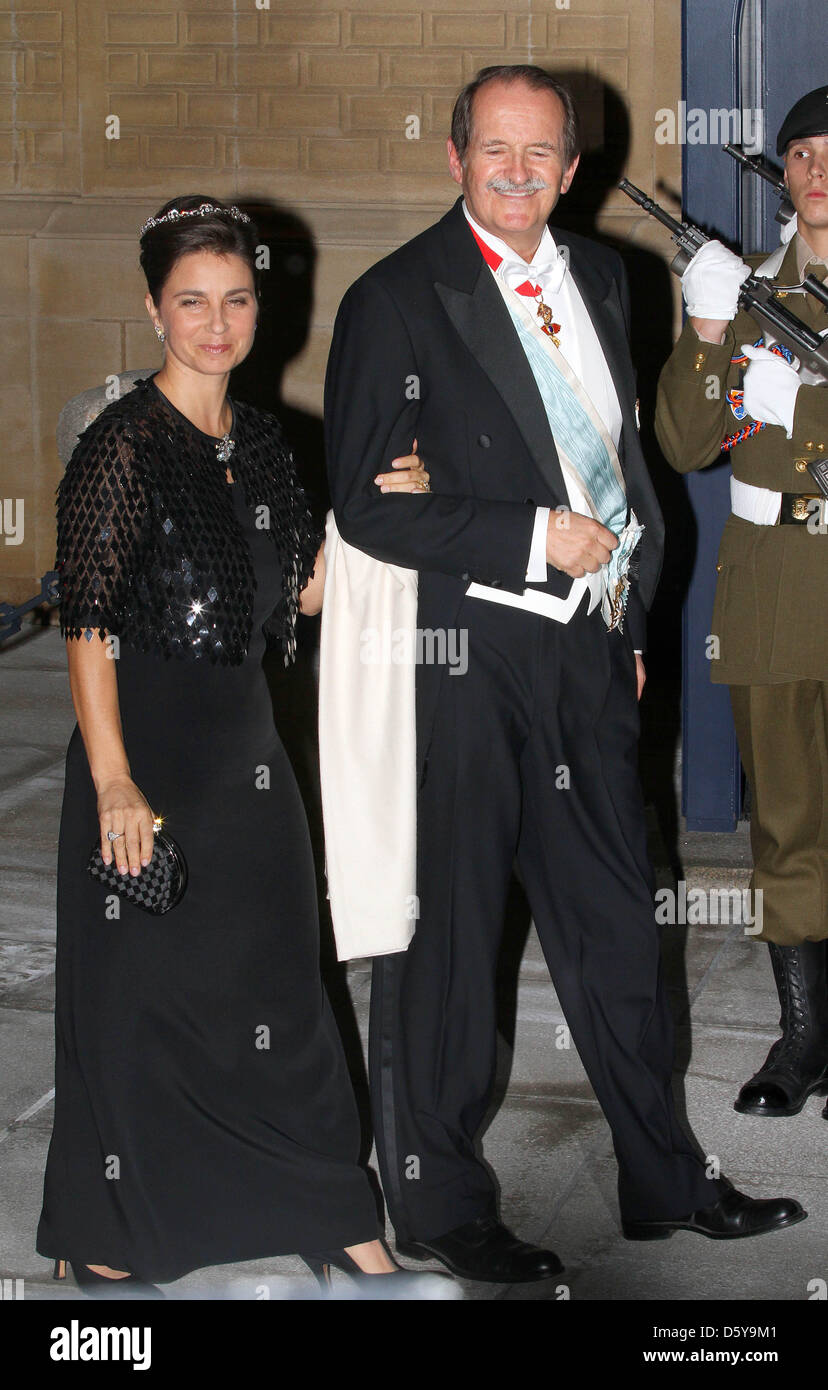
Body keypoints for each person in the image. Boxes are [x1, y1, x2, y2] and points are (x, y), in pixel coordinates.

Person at [324, 64, 805, 1284]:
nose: (521, 172)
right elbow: (368, 507)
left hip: (590, 655)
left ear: (572, 168)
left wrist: (632, 628)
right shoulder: (397, 299)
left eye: (544, 153)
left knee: (615, 932)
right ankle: (438, 1202)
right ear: (454, 158)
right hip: (471, 664)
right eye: (498, 150)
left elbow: (629, 471)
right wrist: (533, 535)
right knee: (454, 943)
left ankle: (662, 1180)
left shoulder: (604, 274)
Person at [36, 194, 433, 1296]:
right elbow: (89, 623)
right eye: (192, 303)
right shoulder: (122, 445)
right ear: (152, 309)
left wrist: (386, 501)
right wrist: (114, 778)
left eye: (237, 300)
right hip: (146, 756)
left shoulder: (261, 440)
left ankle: (333, 1215)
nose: (217, 325)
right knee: (139, 1007)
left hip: (248, 758)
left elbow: (303, 587)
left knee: (285, 999)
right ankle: (105, 1234)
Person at [656, 88, 828, 1119]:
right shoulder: (751, 288)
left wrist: (798, 402)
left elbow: (796, 414)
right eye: (802, 154)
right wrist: (709, 323)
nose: (817, 169)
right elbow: (682, 440)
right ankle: (805, 1034)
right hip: (772, 577)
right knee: (791, 819)